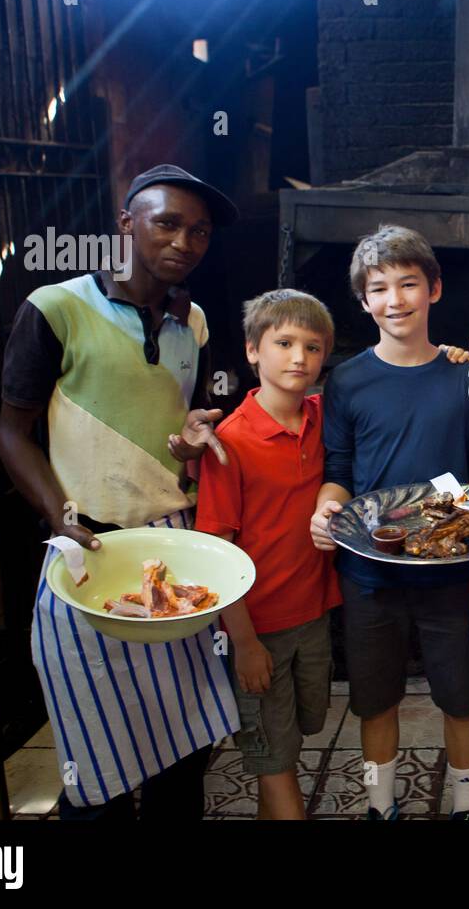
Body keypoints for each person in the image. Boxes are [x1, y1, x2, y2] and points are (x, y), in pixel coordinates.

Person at [0, 164, 239, 819]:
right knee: (95, 765)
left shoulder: (197, 323)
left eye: (199, 232)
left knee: (182, 753)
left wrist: (190, 444)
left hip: (173, 556)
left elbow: (185, 426)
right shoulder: (56, 308)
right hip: (90, 554)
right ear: (126, 223)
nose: (184, 242)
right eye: (167, 223)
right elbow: (11, 432)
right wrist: (58, 512)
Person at [310, 225, 469, 820]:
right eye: (380, 288)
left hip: (450, 574)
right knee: (374, 700)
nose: (396, 300)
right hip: (369, 576)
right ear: (364, 301)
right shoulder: (346, 380)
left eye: (409, 284)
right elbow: (339, 468)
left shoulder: (466, 373)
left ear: (434, 290)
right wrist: (325, 506)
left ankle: (465, 809)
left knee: (461, 698)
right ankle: (379, 808)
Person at [194, 289, 342, 819]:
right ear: (254, 350)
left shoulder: (326, 416)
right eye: (283, 343)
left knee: (299, 732)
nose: (299, 357)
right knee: (273, 759)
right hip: (257, 627)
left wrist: (453, 356)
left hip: (315, 614)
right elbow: (217, 553)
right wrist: (245, 642)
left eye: (313, 346)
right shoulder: (228, 443)